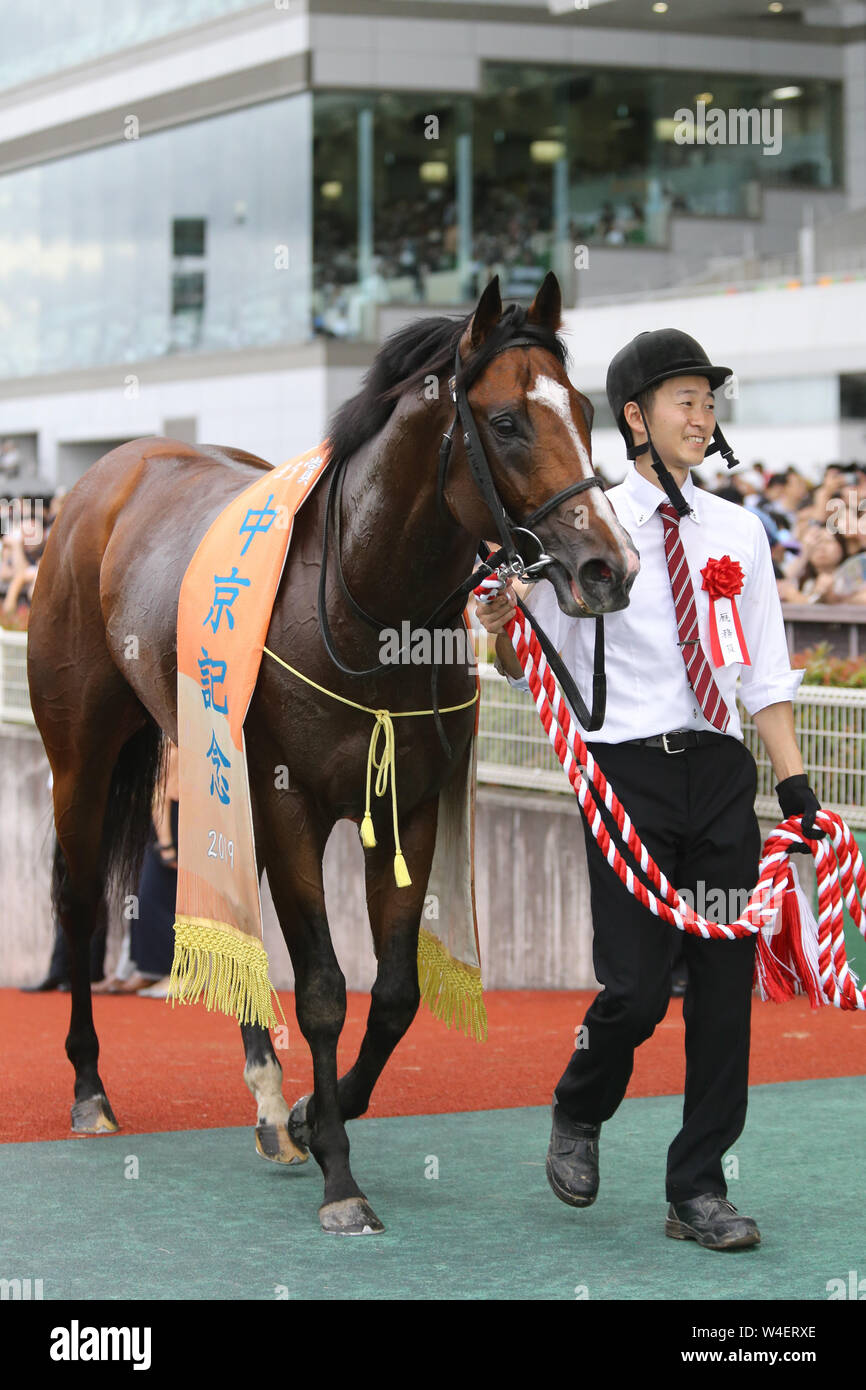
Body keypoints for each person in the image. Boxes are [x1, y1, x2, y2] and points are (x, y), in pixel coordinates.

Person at [477, 328, 823, 1252]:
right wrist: (501, 620)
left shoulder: (738, 530)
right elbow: (520, 658)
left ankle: (697, 1188)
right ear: (634, 416)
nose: (703, 415)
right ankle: (580, 1104)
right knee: (631, 993)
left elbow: (766, 678)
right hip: (623, 771)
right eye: (685, 399)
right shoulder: (583, 522)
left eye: (710, 401)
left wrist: (796, 791)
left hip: (717, 775)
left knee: (723, 988)